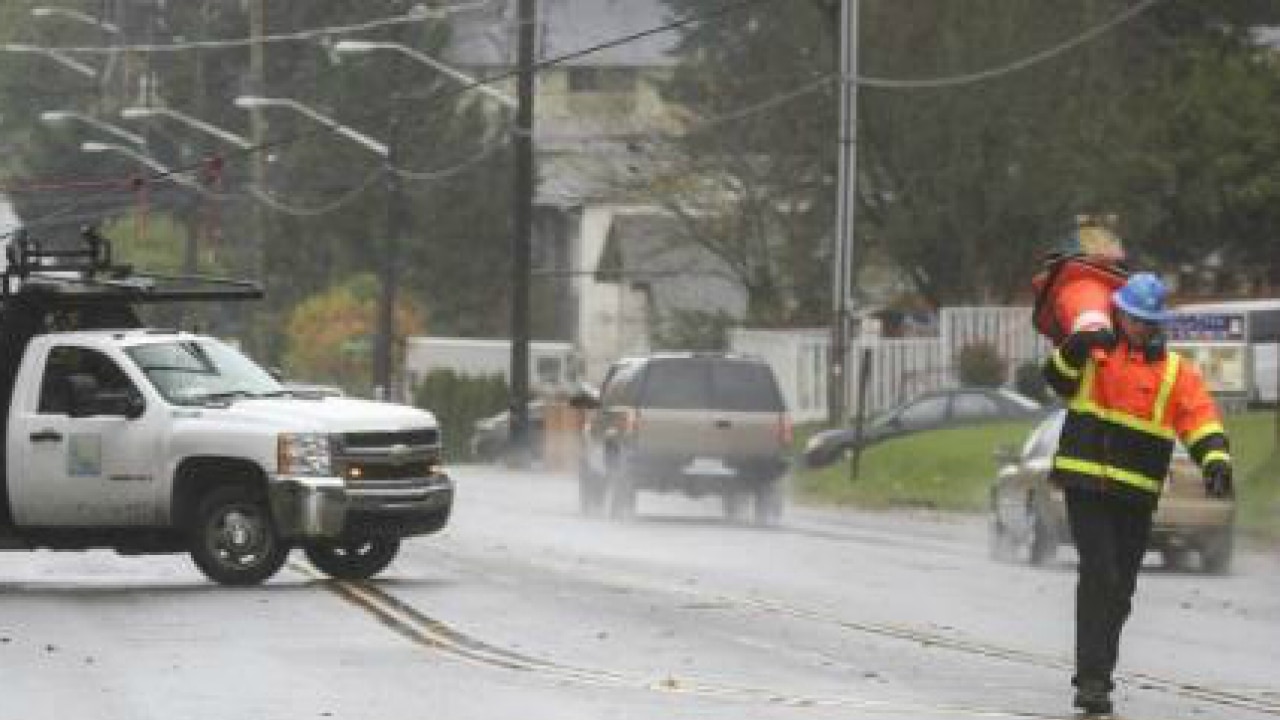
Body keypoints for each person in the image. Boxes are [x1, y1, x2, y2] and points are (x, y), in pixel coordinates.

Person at [1042, 272, 1233, 716]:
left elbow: (1200, 418)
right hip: (1086, 486)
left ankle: (1099, 673)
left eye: (1148, 321)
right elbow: (1055, 377)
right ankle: (1091, 681)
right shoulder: (1093, 350)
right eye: (1133, 318)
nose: (1140, 327)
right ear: (1119, 313)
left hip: (1136, 496)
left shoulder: (1175, 373)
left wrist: (1216, 462)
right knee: (1101, 574)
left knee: (1122, 590)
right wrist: (1074, 347)